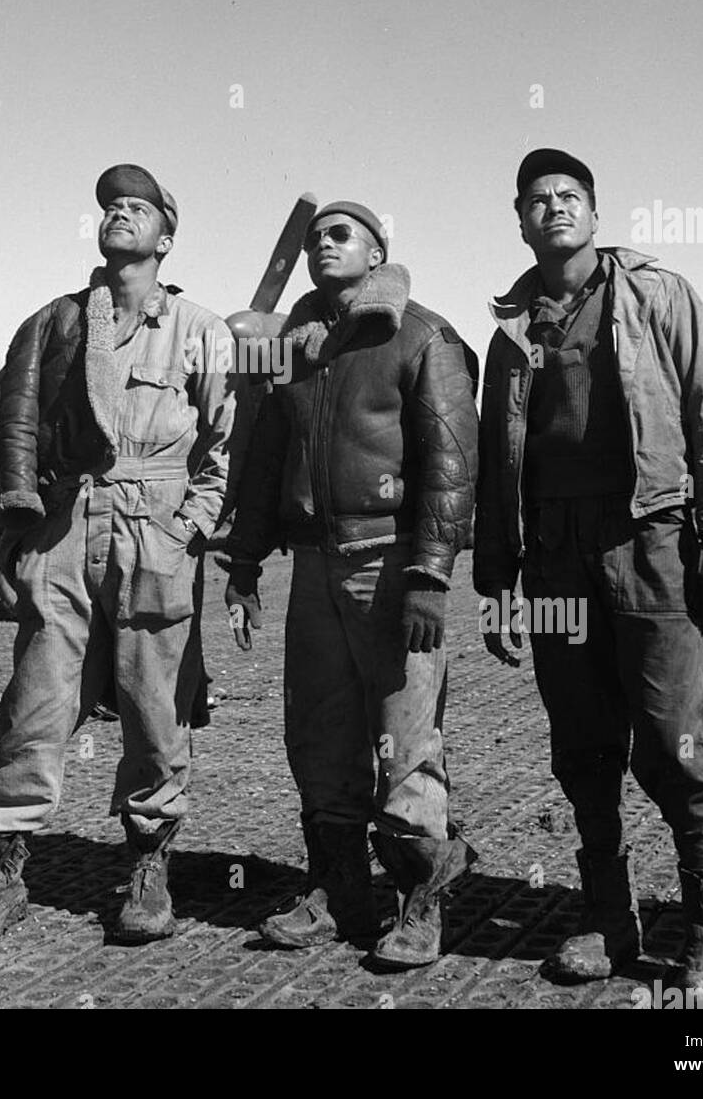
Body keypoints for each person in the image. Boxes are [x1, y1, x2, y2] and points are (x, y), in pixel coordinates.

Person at [473, 148, 703, 1001]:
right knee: (583, 743)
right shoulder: (510, 332)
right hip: (556, 560)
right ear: (520, 221)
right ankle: (608, 916)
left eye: (570, 196)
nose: (554, 207)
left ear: (594, 214)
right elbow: (497, 464)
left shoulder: (657, 296)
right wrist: (498, 581)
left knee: (677, 737)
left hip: (650, 548)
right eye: (538, 199)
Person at [0, 165, 236, 948]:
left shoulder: (201, 330)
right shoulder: (57, 323)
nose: (121, 214)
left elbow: (227, 447)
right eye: (111, 206)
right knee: (36, 701)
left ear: (166, 239)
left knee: (153, 705)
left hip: (156, 528)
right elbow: (2, 425)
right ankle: (1, 871)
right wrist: (26, 512)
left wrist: (189, 529)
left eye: (139, 208)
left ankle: (147, 867)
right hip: (67, 528)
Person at [224, 201, 480, 970]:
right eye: (312, 238)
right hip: (311, 568)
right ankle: (337, 893)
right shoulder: (292, 352)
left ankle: (419, 900)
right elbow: (265, 458)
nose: (321, 245)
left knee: (404, 738)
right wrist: (243, 563)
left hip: (392, 562)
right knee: (318, 735)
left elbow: (450, 463)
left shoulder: (421, 335)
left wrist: (431, 576)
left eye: (340, 235)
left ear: (377, 253)